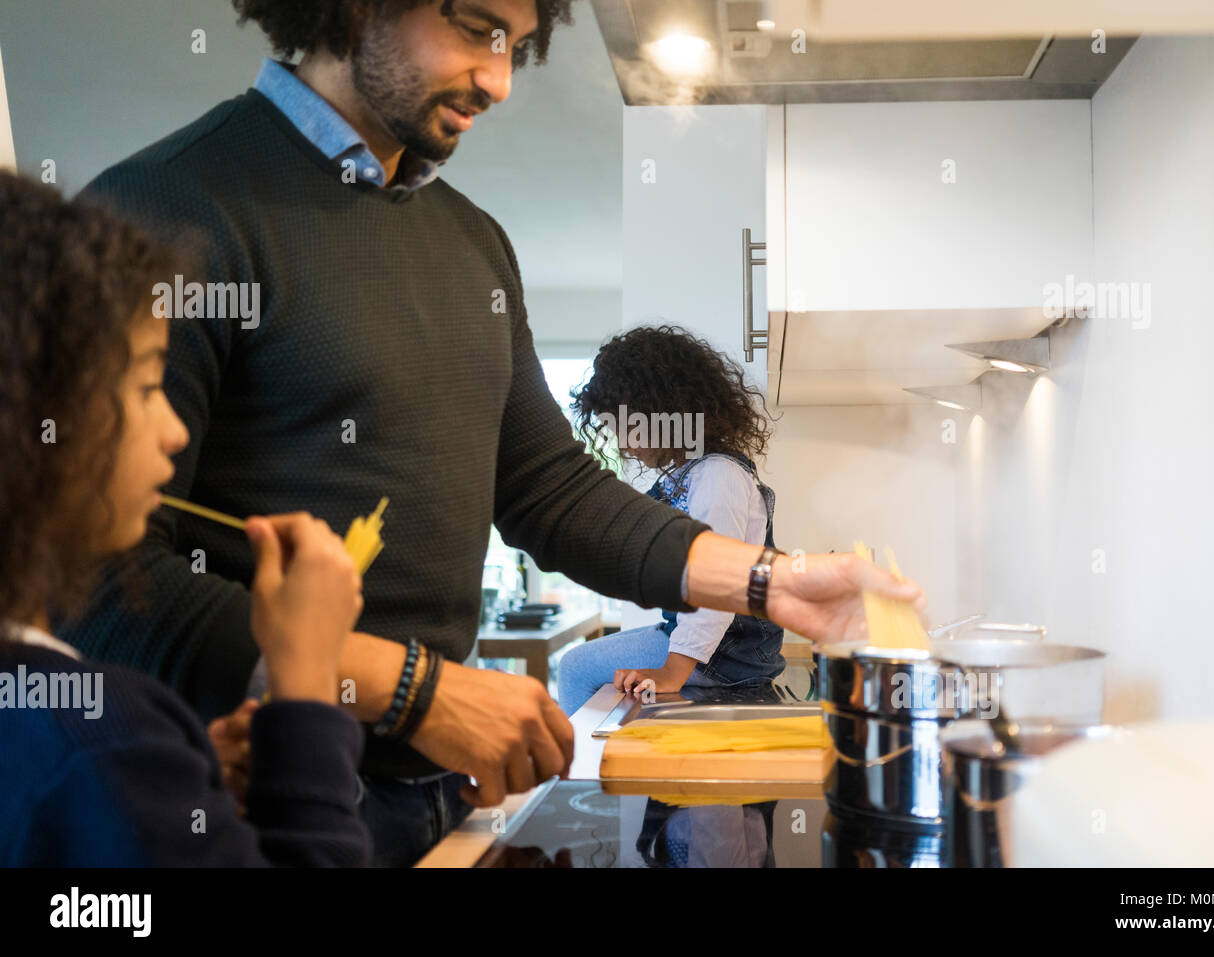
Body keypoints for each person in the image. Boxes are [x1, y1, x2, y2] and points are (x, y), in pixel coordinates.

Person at [60, 0, 925, 866]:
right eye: (476, 27)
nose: (501, 80)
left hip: (432, 794)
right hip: (238, 805)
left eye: (517, 43)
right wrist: (417, 692)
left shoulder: (475, 245)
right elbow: (94, 581)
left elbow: (548, 486)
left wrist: (778, 582)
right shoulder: (167, 210)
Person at [0, 171, 369, 866]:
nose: (173, 431)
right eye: (144, 386)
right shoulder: (95, 741)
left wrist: (182, 779)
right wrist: (308, 688)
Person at [558, 326, 785, 713]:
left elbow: (719, 587)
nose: (625, 445)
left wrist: (672, 672)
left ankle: (580, 774)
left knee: (575, 667)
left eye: (628, 428)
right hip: (718, 648)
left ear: (664, 413)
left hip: (728, 657)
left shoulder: (719, 477)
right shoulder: (697, 473)